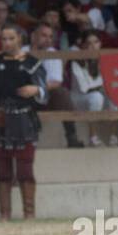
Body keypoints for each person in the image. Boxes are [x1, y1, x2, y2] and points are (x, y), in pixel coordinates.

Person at [0, 23, 44, 219]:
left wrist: (36, 90)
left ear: (19, 39)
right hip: (0, 119)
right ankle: (4, 215)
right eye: (4, 39)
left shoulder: (32, 63)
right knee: (2, 170)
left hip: (25, 119)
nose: (6, 43)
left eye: (11, 38)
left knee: (25, 169)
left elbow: (44, 90)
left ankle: (29, 214)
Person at [30, 19, 84, 148]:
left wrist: (36, 88)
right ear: (34, 36)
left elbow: (56, 82)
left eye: (50, 36)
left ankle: (72, 137)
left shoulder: (54, 53)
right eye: (44, 35)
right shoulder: (21, 51)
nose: (48, 39)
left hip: (44, 96)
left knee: (62, 93)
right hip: (24, 97)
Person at [69, 30, 111, 147]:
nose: (93, 46)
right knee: (97, 98)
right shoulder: (77, 61)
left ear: (100, 44)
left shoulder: (103, 59)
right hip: (79, 99)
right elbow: (85, 88)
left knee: (114, 96)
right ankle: (93, 137)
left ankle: (114, 136)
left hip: (98, 94)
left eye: (96, 42)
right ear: (83, 45)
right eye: (89, 43)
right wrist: (102, 86)